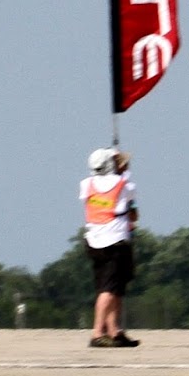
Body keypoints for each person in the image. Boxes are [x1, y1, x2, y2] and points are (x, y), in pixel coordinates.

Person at [80, 147, 139, 347]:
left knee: (113, 288)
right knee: (109, 289)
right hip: (115, 242)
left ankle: (114, 331)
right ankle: (98, 332)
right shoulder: (124, 184)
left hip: (94, 241)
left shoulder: (86, 184)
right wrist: (123, 168)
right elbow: (132, 211)